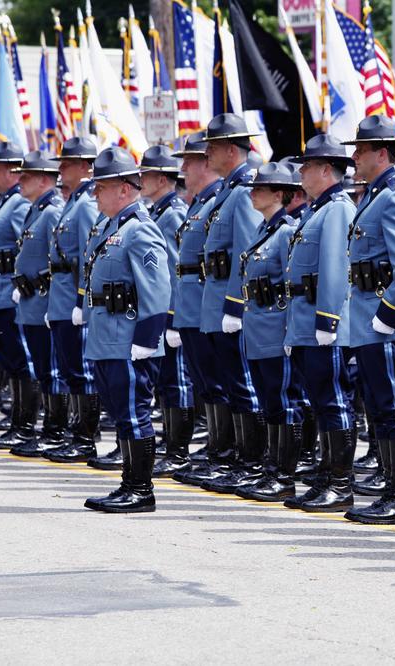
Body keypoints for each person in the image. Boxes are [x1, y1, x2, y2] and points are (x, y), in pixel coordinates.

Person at [341, 115, 395, 525]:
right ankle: (394, 490)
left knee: (393, 406)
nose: (354, 156)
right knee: (379, 404)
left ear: (381, 153)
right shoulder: (375, 194)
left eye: (360, 149)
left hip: (386, 322)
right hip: (369, 319)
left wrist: (387, 317)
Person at [81, 147, 170, 513]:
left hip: (128, 340)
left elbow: (157, 287)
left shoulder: (139, 231)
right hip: (107, 339)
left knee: (134, 413)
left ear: (123, 189)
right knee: (121, 413)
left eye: (101, 187)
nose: (95, 194)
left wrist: (147, 341)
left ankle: (141, 489)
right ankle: (128, 483)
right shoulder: (111, 228)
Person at [282, 134, 357, 513]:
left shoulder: (338, 209)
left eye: (307, 166)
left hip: (323, 323)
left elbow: (334, 268)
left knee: (333, 401)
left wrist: (327, 319)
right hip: (306, 321)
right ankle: (327, 475)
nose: (302, 173)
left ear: (327, 169)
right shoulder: (316, 210)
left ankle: (341, 483)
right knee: (319, 401)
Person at [222, 162, 305, 502]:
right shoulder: (262, 230)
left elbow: (290, 284)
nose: (253, 193)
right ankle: (271, 469)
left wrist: (289, 331)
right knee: (269, 401)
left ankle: (284, 476)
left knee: (284, 401)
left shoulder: (286, 232)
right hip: (258, 327)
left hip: (276, 327)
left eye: (261, 188)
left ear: (279, 194)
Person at [190, 113, 263, 492]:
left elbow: (245, 253)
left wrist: (235, 304)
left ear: (231, 150)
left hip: (230, 305)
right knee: (226, 382)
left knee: (240, 384)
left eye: (212, 147)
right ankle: (232, 455)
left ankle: (249, 461)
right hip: (214, 301)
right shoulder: (227, 191)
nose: (206, 153)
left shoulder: (244, 189)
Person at [167, 131, 227, 481]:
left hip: (209, 303)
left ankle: (227, 455)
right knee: (206, 383)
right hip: (193, 304)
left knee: (221, 383)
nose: (184, 168)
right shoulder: (200, 203)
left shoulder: (217, 200)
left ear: (207, 163)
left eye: (189, 160)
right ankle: (217, 450)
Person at [41, 137, 102, 464]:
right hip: (61, 301)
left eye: (66, 164)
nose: (60, 170)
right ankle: (77, 434)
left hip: (73, 303)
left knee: (81, 372)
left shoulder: (87, 204)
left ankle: (84, 439)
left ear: (85, 166)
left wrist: (82, 302)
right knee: (70, 369)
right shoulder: (74, 202)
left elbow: (87, 259)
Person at [139, 145, 195, 477]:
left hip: (169, 316)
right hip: (160, 314)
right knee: (166, 382)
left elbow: (174, 272)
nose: (141, 180)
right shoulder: (158, 212)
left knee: (176, 381)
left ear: (161, 179)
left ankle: (178, 451)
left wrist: (172, 318)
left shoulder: (172, 213)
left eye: (146, 175)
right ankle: (170, 445)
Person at [7, 150, 68, 458]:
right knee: (43, 368)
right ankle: (49, 428)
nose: (21, 180)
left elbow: (62, 259)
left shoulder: (53, 211)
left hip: (44, 300)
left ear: (45, 179)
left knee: (51, 369)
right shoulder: (36, 210)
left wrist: (39, 282)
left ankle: (55, 430)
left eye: (26, 176)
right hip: (31, 302)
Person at [0, 142, 33, 450]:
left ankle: (24, 425)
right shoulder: (5, 201)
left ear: (12, 171)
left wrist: (17, 281)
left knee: (19, 359)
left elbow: (24, 248)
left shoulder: (19, 205)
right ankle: (18, 422)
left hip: (6, 291)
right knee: (11, 360)